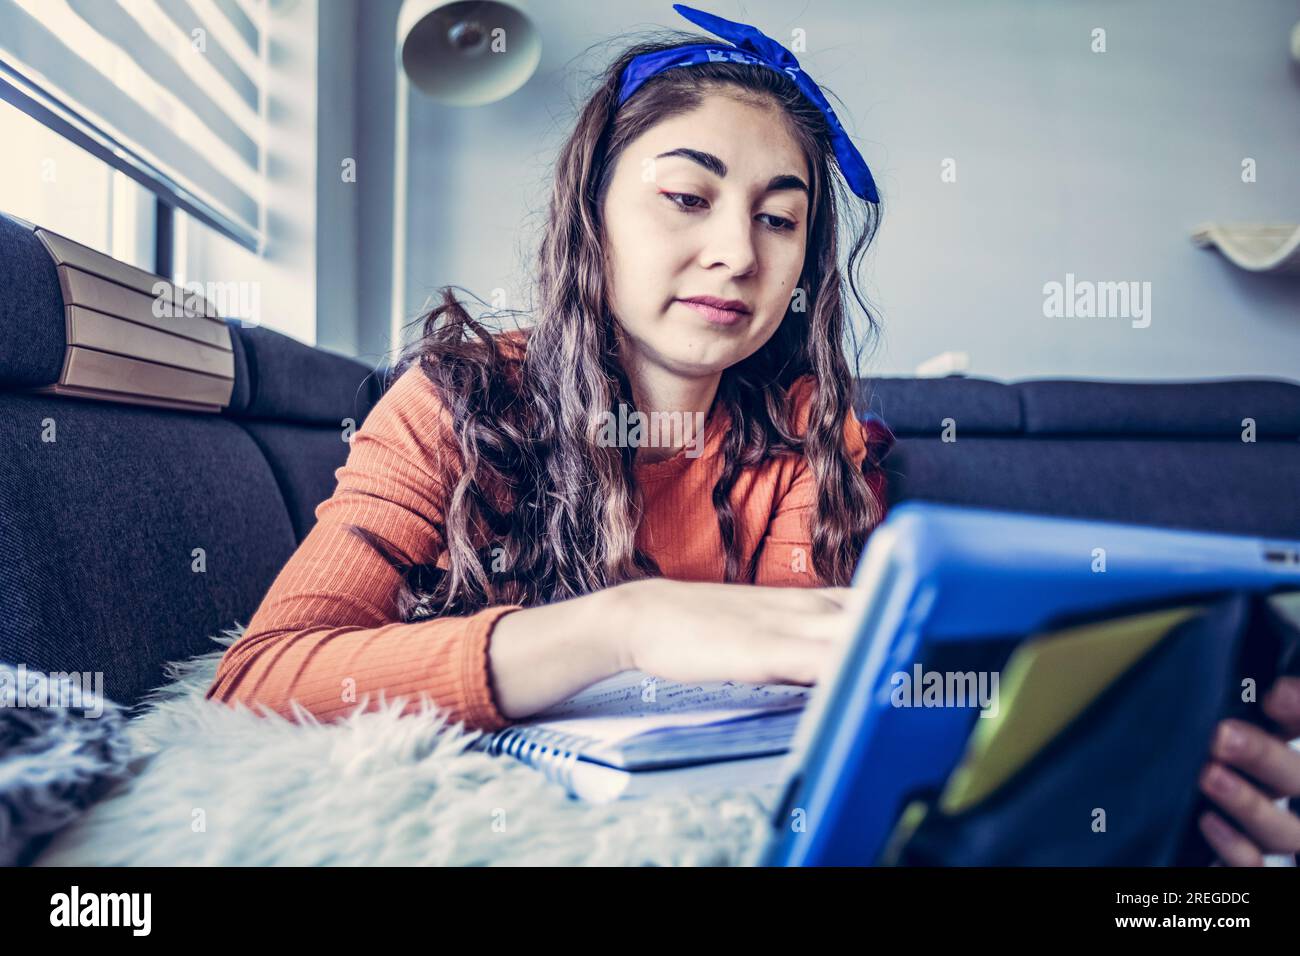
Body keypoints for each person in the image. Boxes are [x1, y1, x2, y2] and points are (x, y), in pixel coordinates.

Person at [207, 4, 1299, 866]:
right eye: (687, 196)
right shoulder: (452, 401)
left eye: (780, 218)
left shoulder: (811, 441)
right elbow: (255, 680)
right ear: (588, 214)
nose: (738, 251)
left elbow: (803, 707)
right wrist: (628, 622)